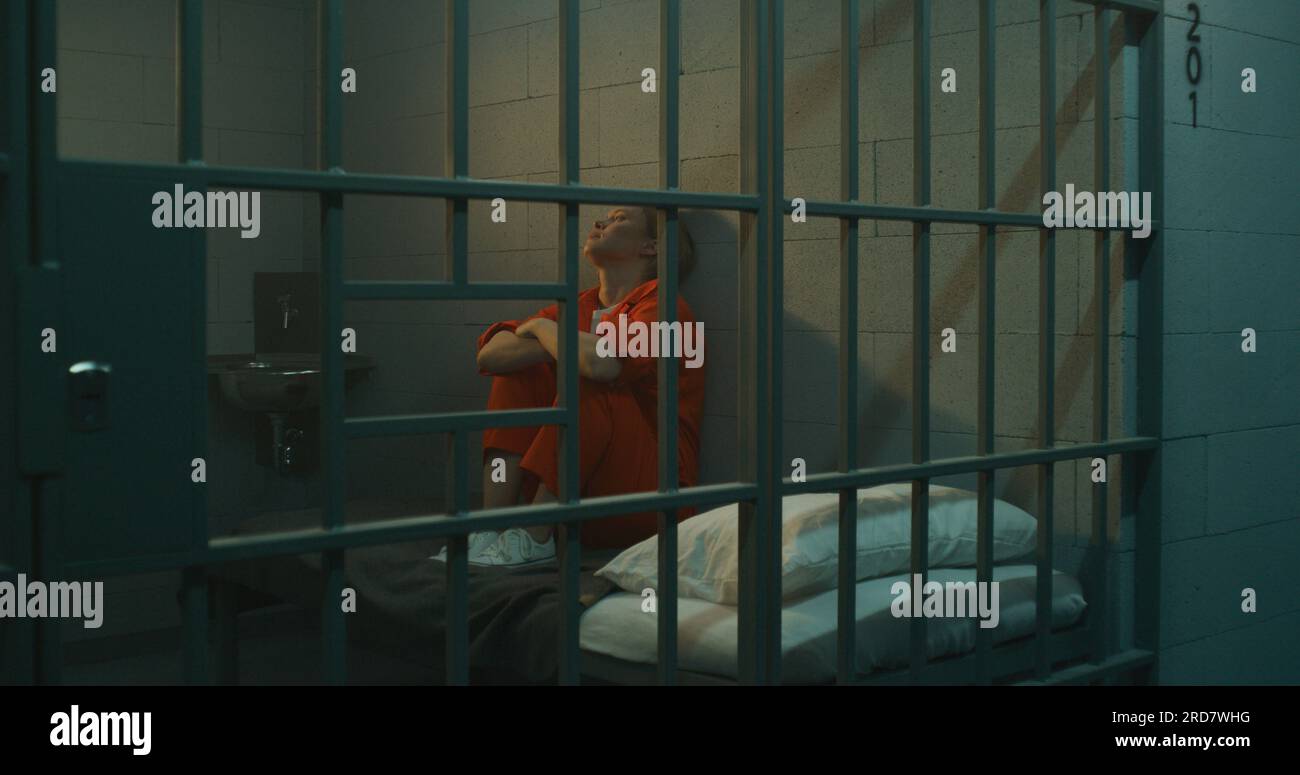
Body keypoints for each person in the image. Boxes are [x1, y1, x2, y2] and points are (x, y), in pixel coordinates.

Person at [453, 205, 704, 566]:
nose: (600, 222)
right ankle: (491, 528)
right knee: (518, 374)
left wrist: (543, 329)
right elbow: (491, 356)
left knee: (593, 378)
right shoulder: (581, 305)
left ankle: (535, 537)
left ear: (650, 247)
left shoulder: (667, 308)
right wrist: (568, 343)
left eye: (619, 219)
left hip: (650, 499)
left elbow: (602, 365)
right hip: (580, 502)